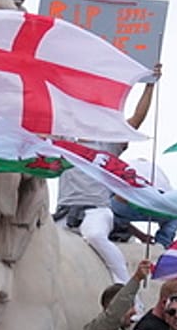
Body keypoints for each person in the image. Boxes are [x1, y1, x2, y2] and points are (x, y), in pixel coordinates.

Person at [52, 82, 155, 281]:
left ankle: (125, 287)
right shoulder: (62, 144)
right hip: (64, 212)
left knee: (94, 236)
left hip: (96, 210)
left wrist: (149, 86)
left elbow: (135, 120)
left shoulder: (106, 143)